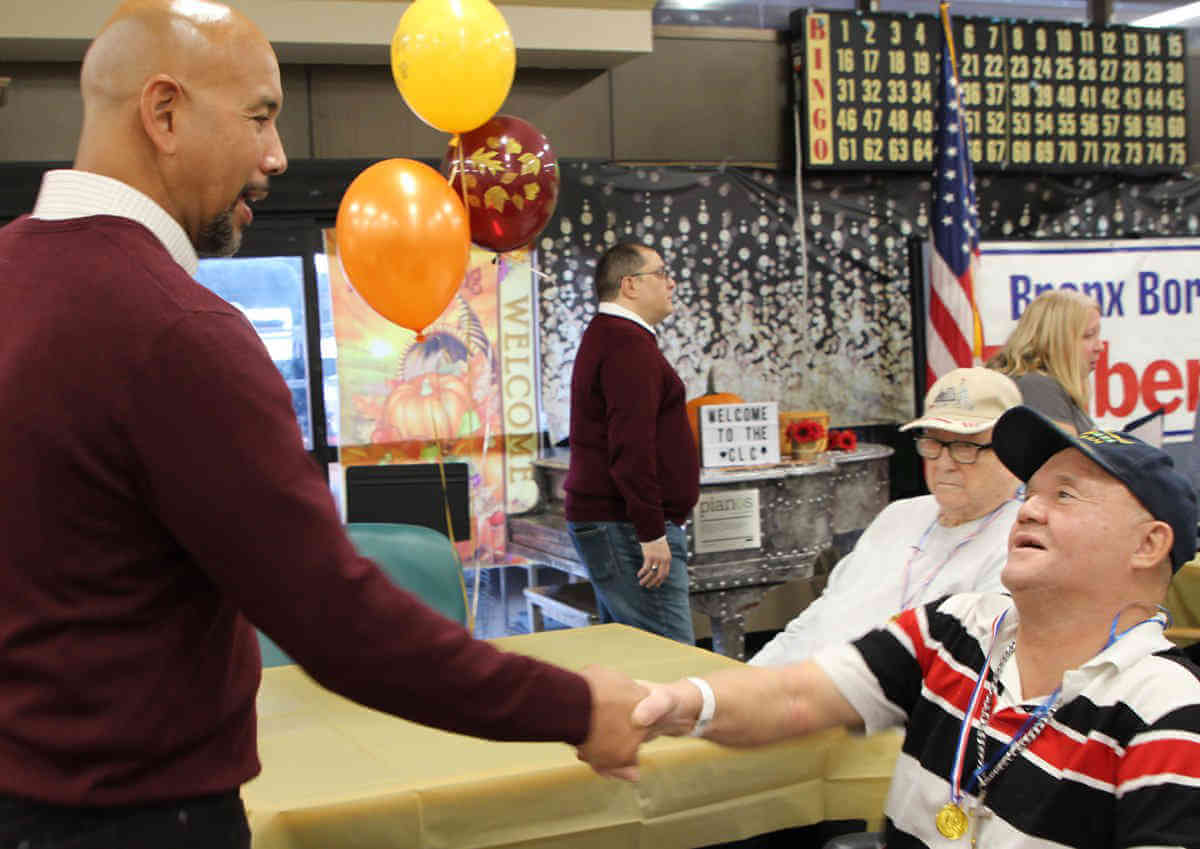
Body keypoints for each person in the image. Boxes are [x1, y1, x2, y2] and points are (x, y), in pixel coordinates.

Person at [0, 2, 647, 845]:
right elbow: (335, 619)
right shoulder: (174, 332)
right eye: (260, 117)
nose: (277, 157)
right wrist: (577, 706)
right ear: (164, 113)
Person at [633, 406, 1200, 849]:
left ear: (1149, 545)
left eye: (1067, 495)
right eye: (1031, 494)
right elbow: (794, 698)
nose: (1029, 510)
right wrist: (680, 702)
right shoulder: (951, 628)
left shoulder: (1167, 712)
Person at [751, 367, 1022, 666]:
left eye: (964, 446)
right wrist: (752, 676)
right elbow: (818, 617)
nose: (944, 462)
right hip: (795, 686)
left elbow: (955, 675)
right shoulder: (899, 515)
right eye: (933, 442)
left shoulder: (1019, 543)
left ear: (1011, 452)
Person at [564, 242, 699, 644]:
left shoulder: (615, 336)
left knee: (634, 656)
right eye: (661, 273)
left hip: (618, 523)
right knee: (670, 661)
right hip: (624, 525)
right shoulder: (626, 344)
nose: (671, 283)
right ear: (630, 285)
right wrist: (651, 532)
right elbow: (631, 447)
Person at [988, 289, 1103, 434]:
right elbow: (1069, 455)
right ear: (1056, 340)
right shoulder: (1038, 387)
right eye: (1088, 335)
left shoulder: (1042, 384)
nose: (1100, 347)